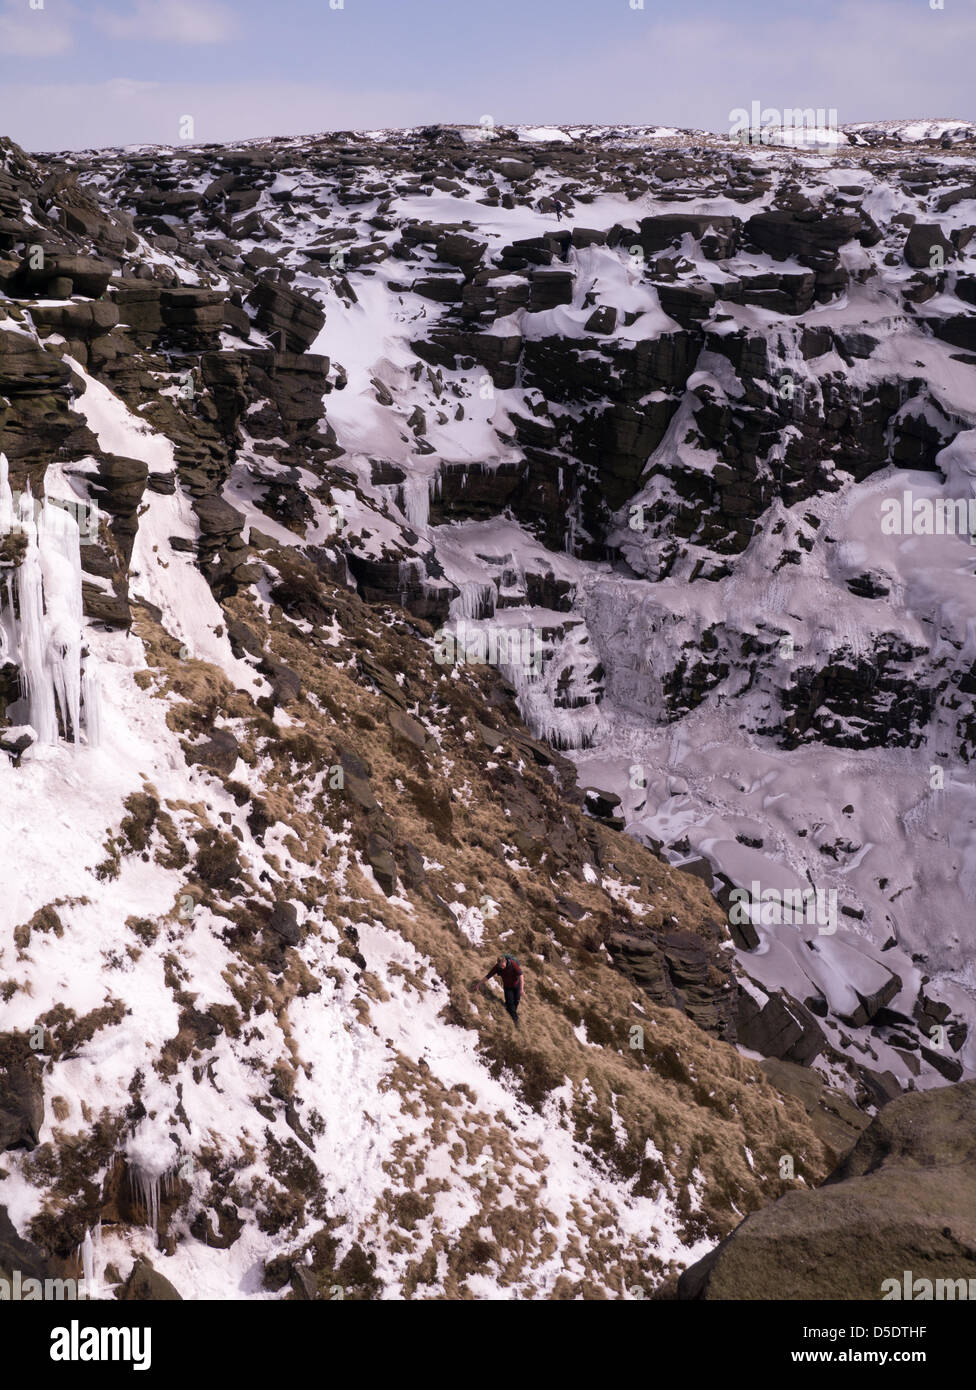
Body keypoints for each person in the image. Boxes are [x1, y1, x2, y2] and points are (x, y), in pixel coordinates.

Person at [480, 954, 524, 1026]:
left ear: (505, 962)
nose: (502, 967)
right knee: (510, 1002)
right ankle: (515, 1021)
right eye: (500, 966)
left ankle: (509, 1014)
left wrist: (521, 989)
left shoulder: (513, 964)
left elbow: (521, 976)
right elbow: (488, 976)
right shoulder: (497, 967)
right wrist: (478, 984)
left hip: (516, 986)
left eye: (503, 965)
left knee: (516, 1002)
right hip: (507, 987)